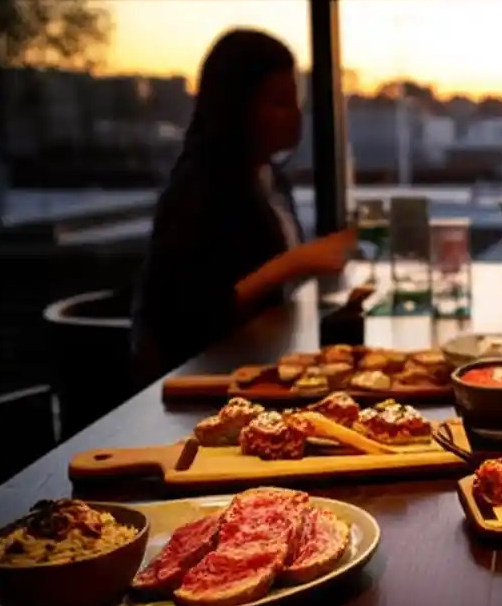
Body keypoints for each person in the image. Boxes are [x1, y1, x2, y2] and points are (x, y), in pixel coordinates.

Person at [133, 29, 356, 377]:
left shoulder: (268, 178)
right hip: (203, 381)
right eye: (280, 103)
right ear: (236, 108)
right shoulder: (197, 190)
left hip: (260, 365)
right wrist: (293, 263)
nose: (296, 116)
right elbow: (189, 320)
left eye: (297, 102)